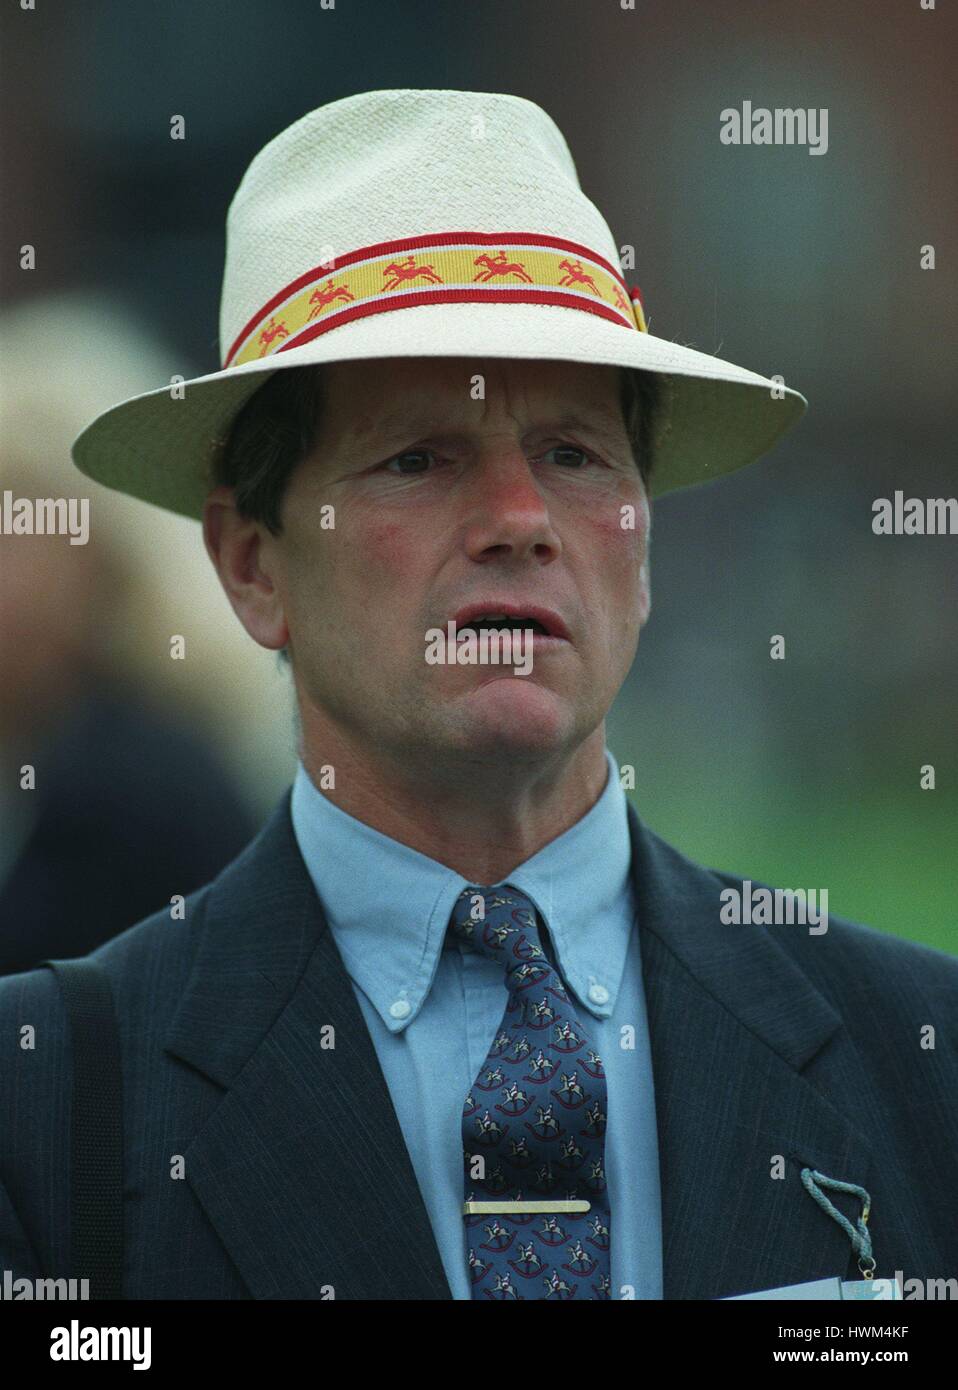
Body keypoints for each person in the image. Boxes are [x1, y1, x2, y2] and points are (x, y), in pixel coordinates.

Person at [1, 89, 955, 1302]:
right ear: (252, 564)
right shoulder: (46, 1105)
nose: (519, 521)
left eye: (572, 455)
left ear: (641, 540)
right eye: (418, 458)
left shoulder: (924, 1056)